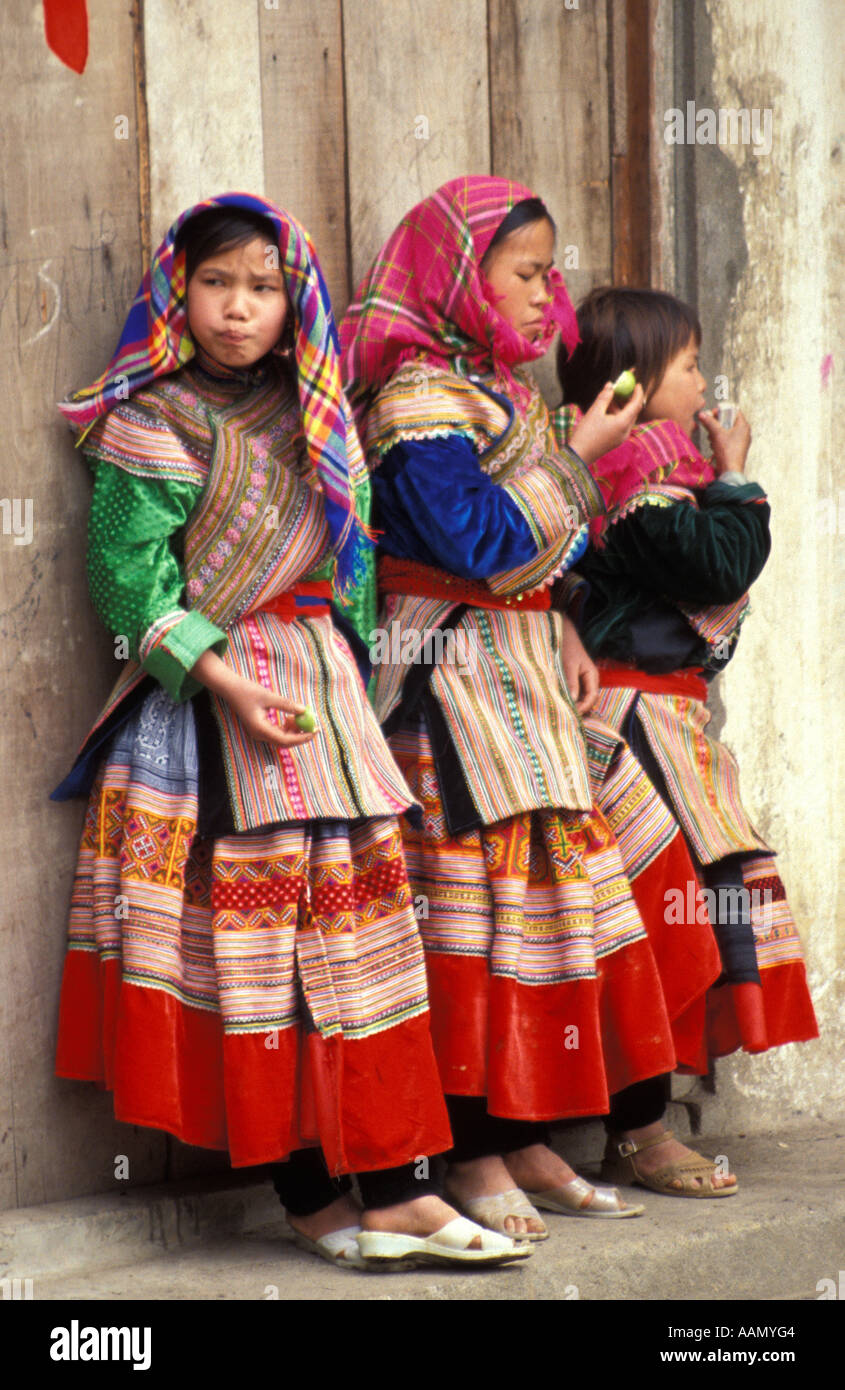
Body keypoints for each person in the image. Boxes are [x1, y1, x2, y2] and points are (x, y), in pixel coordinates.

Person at [50, 191, 531, 1270]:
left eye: (262, 288)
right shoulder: (150, 419)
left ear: (292, 300)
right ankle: (313, 1200)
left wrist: (355, 690)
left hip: (322, 702)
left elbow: (348, 573)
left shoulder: (315, 411)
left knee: (364, 949)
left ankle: (405, 1189)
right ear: (179, 289)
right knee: (258, 962)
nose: (235, 309)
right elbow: (128, 582)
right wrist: (224, 682)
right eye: (215, 282)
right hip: (216, 710)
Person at [340, 176, 721, 1238]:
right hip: (444, 689)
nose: (544, 294)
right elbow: (470, 544)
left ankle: (517, 1133)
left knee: (537, 920)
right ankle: (466, 1151)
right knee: (465, 927)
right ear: (458, 276)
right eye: (523, 272)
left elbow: (529, 556)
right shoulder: (418, 398)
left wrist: (555, 613)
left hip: (516, 682)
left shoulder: (494, 391)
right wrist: (582, 459)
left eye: (549, 272)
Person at [557, 286, 818, 1195]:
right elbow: (722, 564)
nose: (704, 381)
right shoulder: (633, 483)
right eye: (689, 366)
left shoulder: (656, 477)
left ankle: (636, 1123)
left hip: (669, 721)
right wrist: (738, 477)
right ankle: (635, 1131)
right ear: (633, 383)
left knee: (678, 921)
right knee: (643, 925)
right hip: (630, 731)